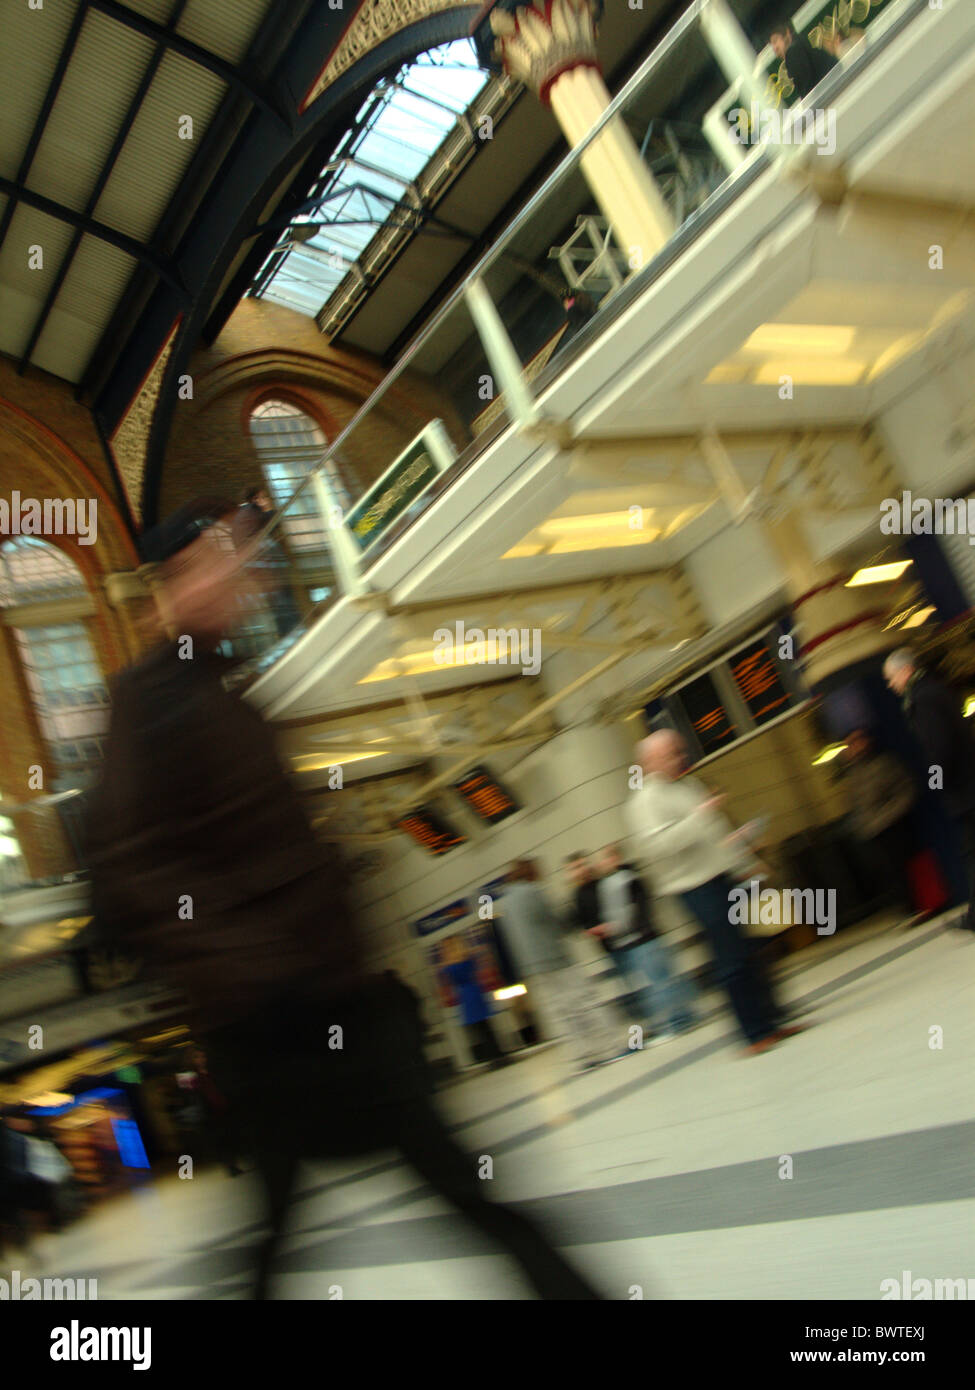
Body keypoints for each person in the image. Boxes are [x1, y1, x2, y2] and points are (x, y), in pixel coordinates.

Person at [85, 499, 601, 1300]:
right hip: (278, 1021)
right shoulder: (149, 702)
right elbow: (129, 863)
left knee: (346, 1219)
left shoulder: (228, 694)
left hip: (320, 1007)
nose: (245, 577)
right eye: (224, 559)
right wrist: (256, 970)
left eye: (248, 560)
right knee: (440, 1198)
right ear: (177, 578)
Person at [627, 730, 805, 1056]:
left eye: (678, 751)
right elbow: (658, 847)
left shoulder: (688, 786)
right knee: (731, 956)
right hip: (696, 886)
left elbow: (717, 834)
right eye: (669, 754)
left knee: (757, 948)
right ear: (648, 762)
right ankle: (753, 1032)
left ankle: (773, 1019)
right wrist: (700, 816)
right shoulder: (644, 801)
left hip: (726, 875)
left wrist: (745, 863)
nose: (678, 758)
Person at [499, 859, 629, 1075]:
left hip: (533, 968)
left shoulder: (507, 902)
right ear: (531, 873)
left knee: (561, 1013)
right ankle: (611, 1048)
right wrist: (572, 916)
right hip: (556, 959)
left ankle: (582, 1057)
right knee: (586, 1001)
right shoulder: (533, 891)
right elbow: (556, 922)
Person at [884, 648, 975, 933]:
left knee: (972, 851)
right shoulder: (934, 689)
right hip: (968, 784)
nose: (891, 685)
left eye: (891, 678)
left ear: (905, 671)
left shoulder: (921, 698)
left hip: (964, 790)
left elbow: (939, 748)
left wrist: (937, 783)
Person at [591, 844, 697, 1044]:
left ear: (615, 858)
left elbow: (636, 911)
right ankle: (685, 1017)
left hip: (640, 938)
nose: (601, 864)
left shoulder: (627, 880)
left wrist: (614, 928)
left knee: (658, 983)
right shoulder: (616, 882)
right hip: (637, 939)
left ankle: (676, 1022)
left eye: (604, 859)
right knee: (665, 980)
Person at [839, 727, 919, 923]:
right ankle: (903, 908)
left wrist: (890, 814)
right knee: (885, 872)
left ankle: (914, 906)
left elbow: (906, 789)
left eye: (856, 741)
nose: (853, 748)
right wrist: (862, 825)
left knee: (901, 868)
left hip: (891, 825)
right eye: (850, 744)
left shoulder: (883, 763)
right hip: (871, 831)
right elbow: (856, 803)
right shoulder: (853, 773)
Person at [440, 936, 510, 1069]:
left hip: (465, 996)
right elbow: (477, 967)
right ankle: (498, 1053)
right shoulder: (468, 958)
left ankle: (490, 1056)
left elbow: (449, 982)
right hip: (475, 991)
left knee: (478, 1031)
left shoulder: (448, 967)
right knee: (487, 1027)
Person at [769, 19, 837, 99]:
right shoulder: (803, 46)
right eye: (772, 45)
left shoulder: (793, 53)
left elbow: (808, 92)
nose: (775, 48)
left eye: (776, 41)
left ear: (787, 33)